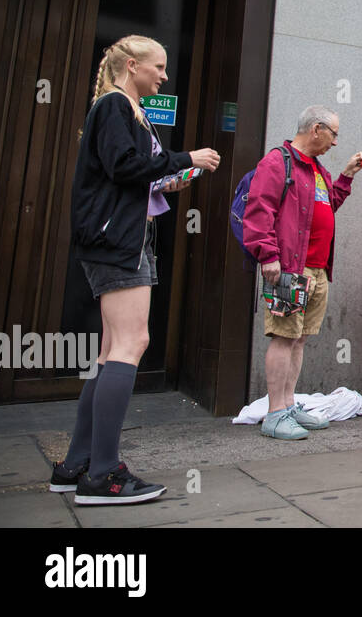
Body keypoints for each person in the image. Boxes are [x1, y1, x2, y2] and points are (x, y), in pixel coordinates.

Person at [52, 36, 221, 504]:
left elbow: (135, 172)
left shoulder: (122, 108)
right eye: (159, 67)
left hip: (119, 238)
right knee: (131, 344)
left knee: (111, 351)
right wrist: (188, 157)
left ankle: (77, 466)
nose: (165, 76)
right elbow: (127, 166)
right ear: (132, 65)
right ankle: (103, 475)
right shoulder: (115, 106)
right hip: (119, 242)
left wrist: (178, 174)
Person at [243, 106, 362, 439]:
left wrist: (346, 176)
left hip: (316, 271)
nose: (336, 142)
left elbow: (327, 206)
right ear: (316, 129)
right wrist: (267, 255)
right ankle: (275, 414)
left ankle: (287, 406)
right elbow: (258, 210)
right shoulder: (277, 162)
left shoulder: (317, 171)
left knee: (299, 340)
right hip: (290, 269)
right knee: (285, 338)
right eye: (334, 133)